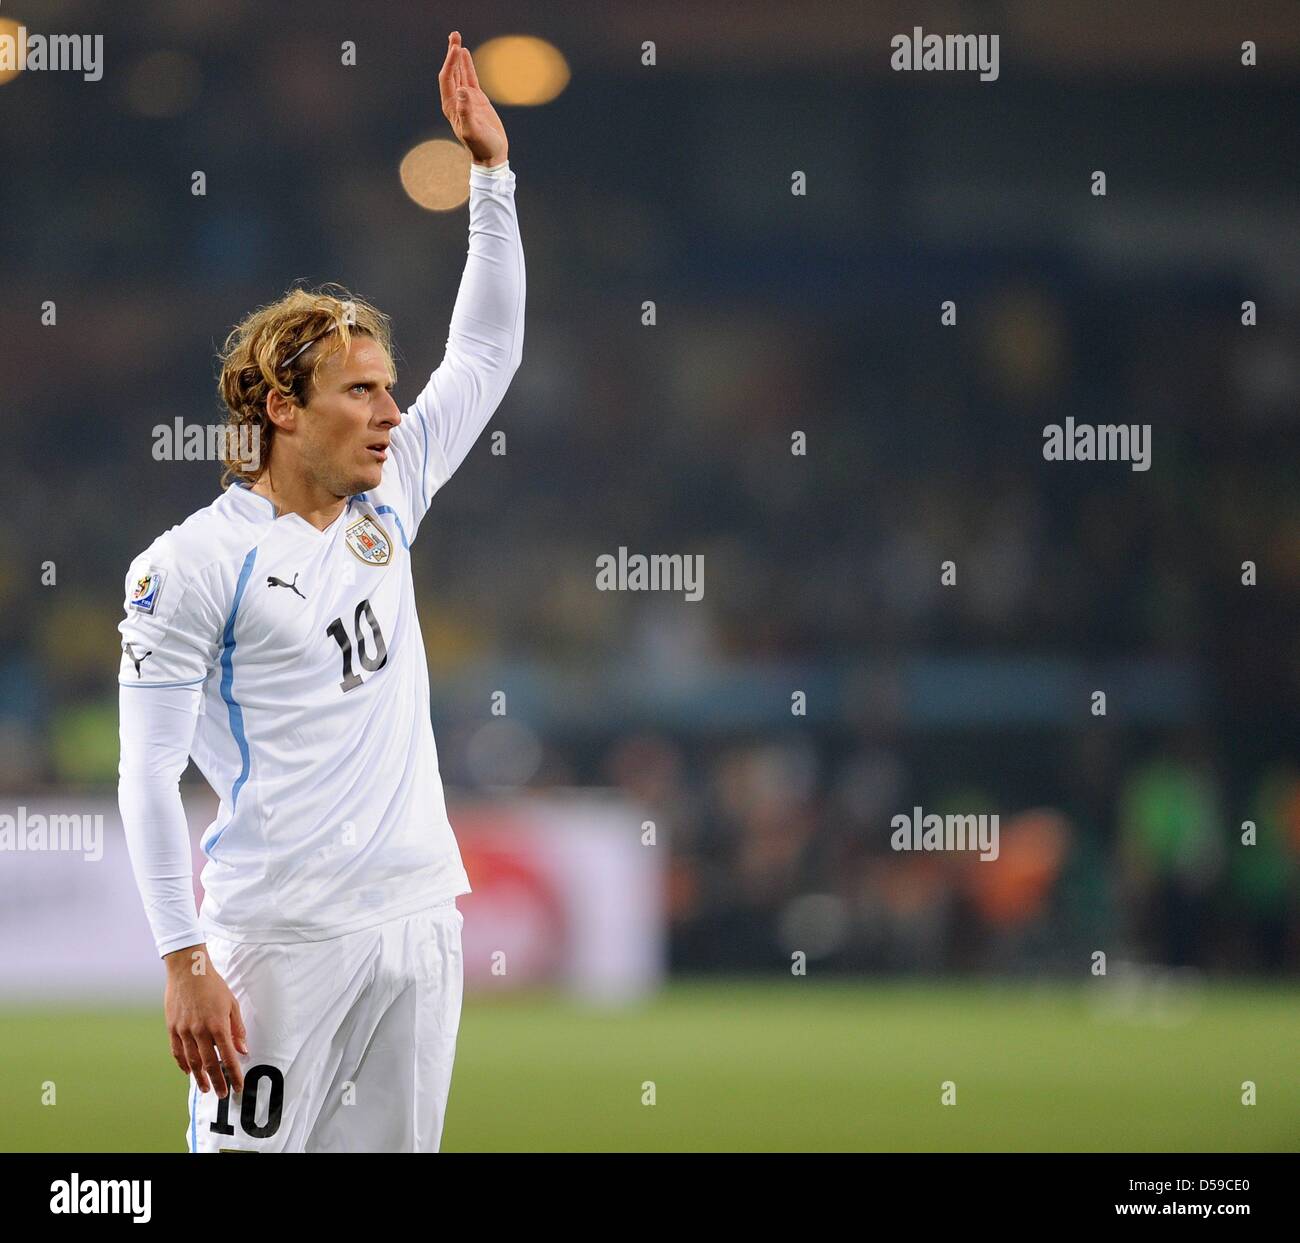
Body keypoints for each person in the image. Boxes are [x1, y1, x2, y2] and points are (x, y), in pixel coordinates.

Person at [115, 31, 523, 1152]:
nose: (396, 413)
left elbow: (484, 354)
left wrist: (492, 177)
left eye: (393, 388)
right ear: (284, 410)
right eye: (363, 390)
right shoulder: (189, 565)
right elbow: (145, 773)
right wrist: (183, 955)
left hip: (417, 920)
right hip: (279, 943)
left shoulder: (388, 503)